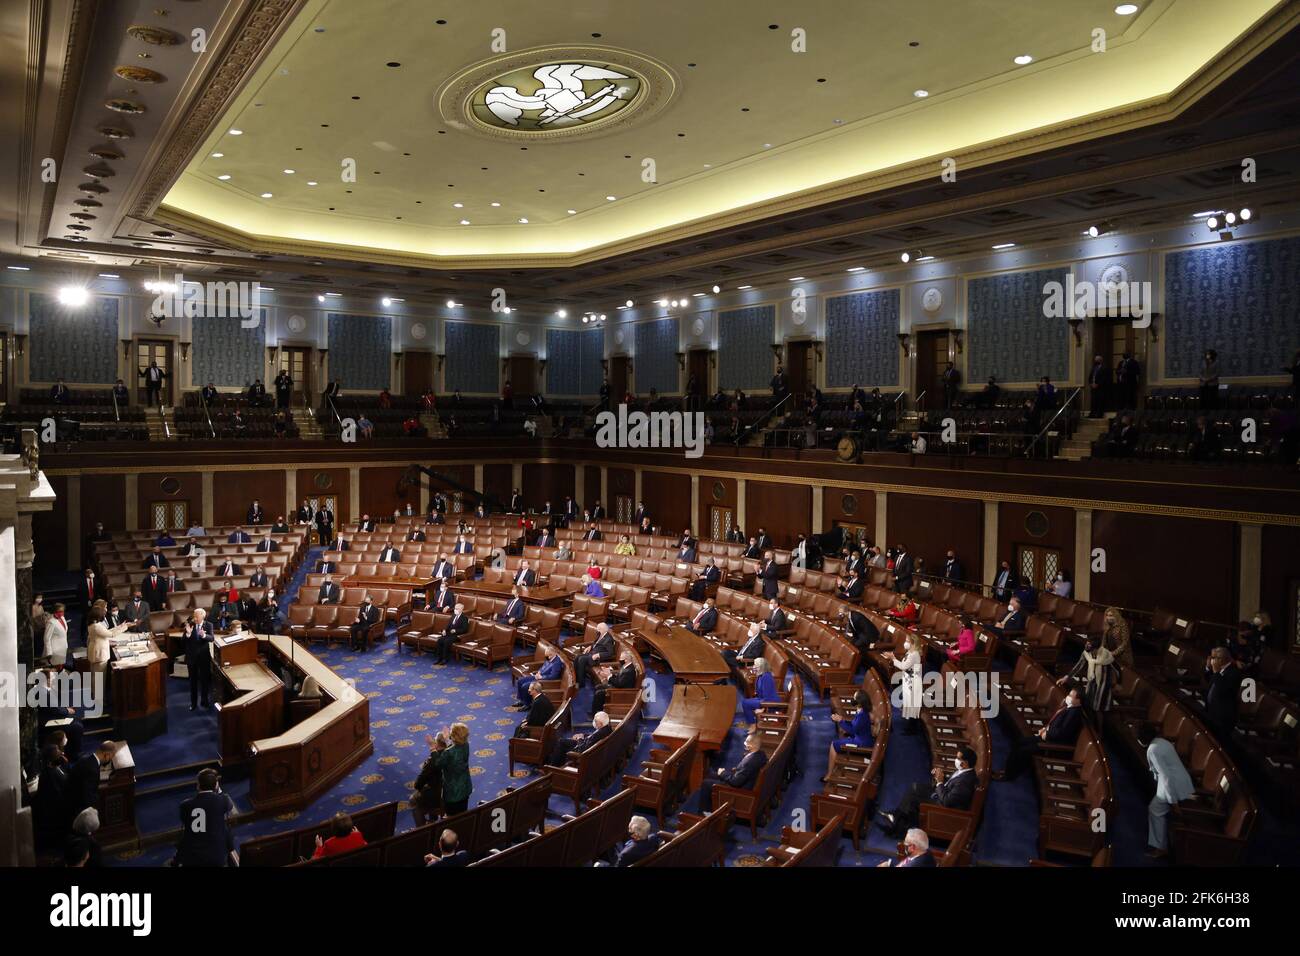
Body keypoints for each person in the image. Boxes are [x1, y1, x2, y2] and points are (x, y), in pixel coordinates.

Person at [878, 745, 978, 839]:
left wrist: (939, 782)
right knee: (914, 787)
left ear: (966, 763)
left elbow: (947, 801)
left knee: (913, 797)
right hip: (941, 795)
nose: (956, 760)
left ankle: (898, 828)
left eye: (958, 758)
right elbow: (951, 784)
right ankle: (897, 818)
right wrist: (939, 776)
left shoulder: (966, 781)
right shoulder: (964, 771)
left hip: (944, 807)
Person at [996, 681, 1085, 781]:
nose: (1068, 697)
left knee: (1022, 750)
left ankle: (1008, 775)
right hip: (1046, 737)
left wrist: (1047, 733)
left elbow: (1062, 733)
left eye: (1071, 696)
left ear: (1078, 701)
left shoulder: (1074, 715)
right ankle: (1007, 771)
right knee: (1019, 742)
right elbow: (1056, 724)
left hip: (1052, 745)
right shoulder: (1070, 708)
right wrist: (1045, 729)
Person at [1138, 722, 1195, 860]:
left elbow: (1166, 776)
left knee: (1154, 809)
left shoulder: (1152, 749)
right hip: (1180, 781)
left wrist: (1173, 802)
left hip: (1173, 785)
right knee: (1155, 808)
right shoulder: (1161, 741)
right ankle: (1161, 845)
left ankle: (1160, 848)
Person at [174, 768, 236, 867]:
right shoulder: (222, 800)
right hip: (217, 857)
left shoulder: (185, 805)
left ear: (198, 785)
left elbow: (185, 825)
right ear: (216, 785)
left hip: (193, 858)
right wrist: (218, 790)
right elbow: (230, 805)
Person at [697, 733, 767, 810]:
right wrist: (735, 770)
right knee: (711, 775)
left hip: (740, 790)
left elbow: (735, 782)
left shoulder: (749, 762)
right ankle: (712, 803)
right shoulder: (761, 754)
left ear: (751, 746)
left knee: (706, 783)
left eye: (746, 742)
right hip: (743, 779)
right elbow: (744, 772)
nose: (744, 743)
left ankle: (704, 812)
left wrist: (722, 773)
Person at [1061, 635, 1116, 715]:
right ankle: (1090, 724)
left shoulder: (1106, 655)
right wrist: (1067, 677)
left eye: (1091, 649)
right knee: (1088, 704)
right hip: (1092, 681)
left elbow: (1117, 670)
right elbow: (1079, 666)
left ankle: (1099, 726)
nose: (1089, 652)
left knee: (1099, 708)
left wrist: (1118, 683)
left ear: (1097, 649)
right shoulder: (1086, 653)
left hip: (1104, 684)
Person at [1203, 646, 1243, 740]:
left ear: (1221, 659)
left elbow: (1223, 689)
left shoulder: (1234, 672)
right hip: (1212, 712)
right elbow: (1209, 680)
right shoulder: (1219, 669)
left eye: (1213, 658)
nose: (1212, 661)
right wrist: (1208, 668)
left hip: (1223, 717)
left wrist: (1216, 672)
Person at [829, 689, 874, 769]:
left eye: (854, 698)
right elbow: (854, 726)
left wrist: (840, 721)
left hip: (861, 744)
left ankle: (829, 774)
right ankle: (833, 770)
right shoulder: (861, 711)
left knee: (834, 745)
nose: (852, 700)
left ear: (859, 702)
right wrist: (842, 719)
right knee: (836, 743)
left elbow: (852, 731)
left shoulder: (862, 715)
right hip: (859, 739)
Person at [184, 608, 215, 709]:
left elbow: (211, 638)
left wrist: (204, 635)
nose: (195, 618)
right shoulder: (191, 624)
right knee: (193, 682)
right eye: (194, 615)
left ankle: (204, 701)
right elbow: (183, 640)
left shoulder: (209, 625)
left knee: (204, 681)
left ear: (203, 616)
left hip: (204, 658)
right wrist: (188, 634)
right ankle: (193, 704)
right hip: (192, 658)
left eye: (196, 616)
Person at [574, 621, 616, 686]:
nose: (597, 631)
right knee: (577, 657)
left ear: (602, 630)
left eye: (598, 629)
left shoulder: (609, 639)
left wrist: (598, 655)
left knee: (581, 659)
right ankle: (575, 678)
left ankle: (581, 683)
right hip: (592, 653)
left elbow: (610, 653)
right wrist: (590, 646)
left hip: (597, 658)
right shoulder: (600, 634)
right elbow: (595, 643)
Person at [740, 657, 779, 725]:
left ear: (761, 667)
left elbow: (768, 697)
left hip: (770, 702)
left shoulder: (766, 677)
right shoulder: (760, 675)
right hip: (762, 699)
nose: (753, 667)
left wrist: (762, 709)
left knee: (746, 703)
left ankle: (752, 724)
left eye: (755, 665)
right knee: (745, 702)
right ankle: (752, 722)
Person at [42, 602, 69, 669]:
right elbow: (46, 638)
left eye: (62, 611)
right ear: (55, 611)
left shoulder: (62, 618)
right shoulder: (51, 622)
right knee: (55, 669)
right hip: (55, 650)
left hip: (62, 648)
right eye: (59, 611)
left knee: (61, 668)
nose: (62, 613)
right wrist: (49, 652)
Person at [1087, 353, 1111, 418]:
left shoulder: (1104, 368)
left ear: (1100, 360)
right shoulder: (1093, 368)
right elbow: (1090, 377)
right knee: (1093, 401)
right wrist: (1091, 384)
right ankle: (1092, 414)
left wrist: (1098, 384)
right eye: (1095, 359)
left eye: (1097, 360)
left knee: (1100, 401)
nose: (1095, 361)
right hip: (1093, 387)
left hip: (1101, 388)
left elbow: (1105, 378)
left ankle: (1099, 414)